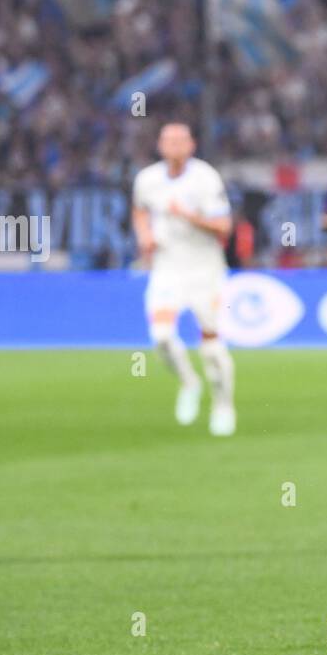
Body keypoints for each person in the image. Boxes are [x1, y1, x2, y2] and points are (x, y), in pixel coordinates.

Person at [131, 123, 236, 436]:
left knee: (212, 346)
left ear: (191, 145)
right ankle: (189, 382)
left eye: (180, 140)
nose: (174, 145)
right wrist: (145, 235)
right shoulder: (147, 179)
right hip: (167, 268)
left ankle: (223, 404)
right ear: (160, 145)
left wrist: (188, 215)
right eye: (168, 140)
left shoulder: (205, 178)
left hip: (205, 270)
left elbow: (224, 227)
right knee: (161, 336)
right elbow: (139, 210)